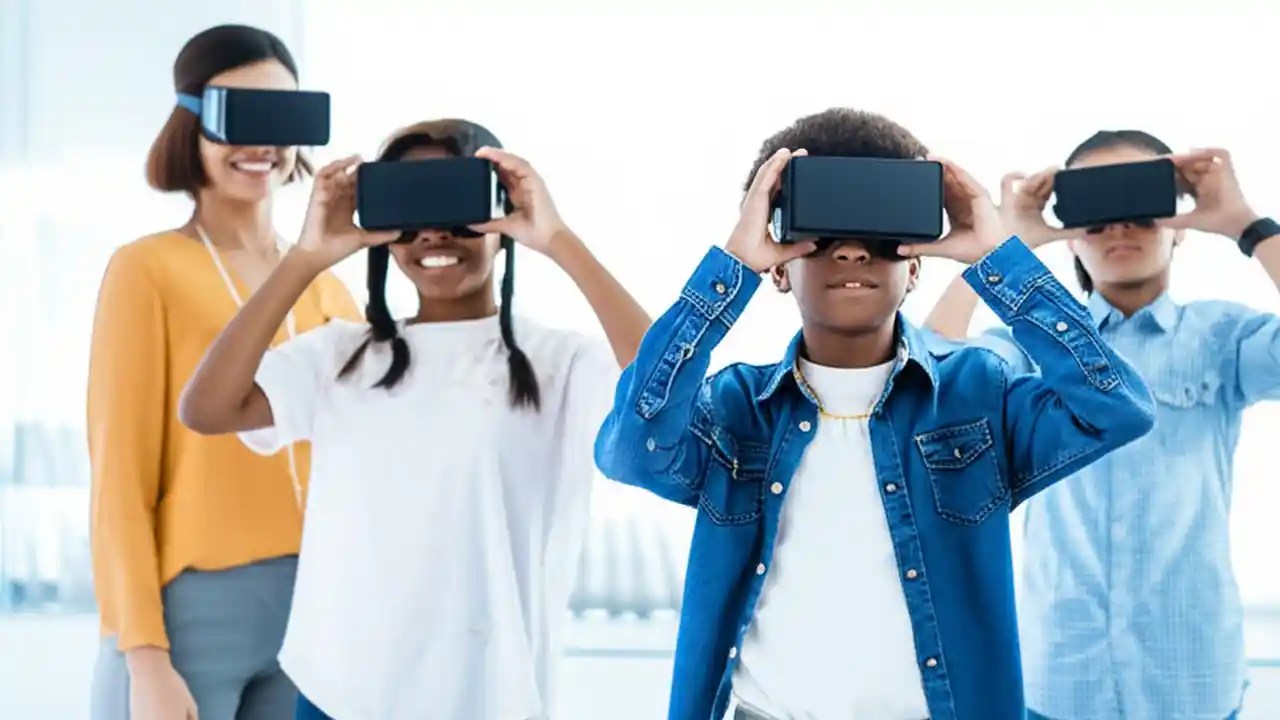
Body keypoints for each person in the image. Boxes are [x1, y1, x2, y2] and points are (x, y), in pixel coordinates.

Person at [593, 108, 1157, 720]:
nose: (854, 251)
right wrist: (731, 268)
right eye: (822, 234)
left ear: (915, 266)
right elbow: (630, 450)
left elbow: (1117, 408)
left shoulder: (978, 396)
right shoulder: (736, 412)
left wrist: (998, 257)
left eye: (882, 236)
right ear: (779, 264)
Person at [178, 119, 651, 720]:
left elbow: (663, 390)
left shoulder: (558, 362)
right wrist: (304, 259)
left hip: (487, 695)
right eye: (410, 207)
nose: (434, 234)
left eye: (458, 207)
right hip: (341, 692)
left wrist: (556, 237)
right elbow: (208, 408)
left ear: (500, 216)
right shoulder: (339, 354)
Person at [923, 130, 1280, 720]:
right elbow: (933, 374)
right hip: (1058, 682)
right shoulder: (1025, 348)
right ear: (1070, 236)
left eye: (1141, 207)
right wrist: (1003, 249)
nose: (1119, 226)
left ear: (1177, 224)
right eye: (1096, 211)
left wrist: (1244, 223)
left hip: (1192, 687)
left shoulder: (1222, 341)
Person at [87, 24, 359, 720]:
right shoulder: (147, 270)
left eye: (282, 117)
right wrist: (144, 658)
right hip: (189, 613)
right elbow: (119, 478)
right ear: (192, 122)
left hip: (312, 612)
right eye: (239, 116)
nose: (261, 143)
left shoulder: (329, 289)